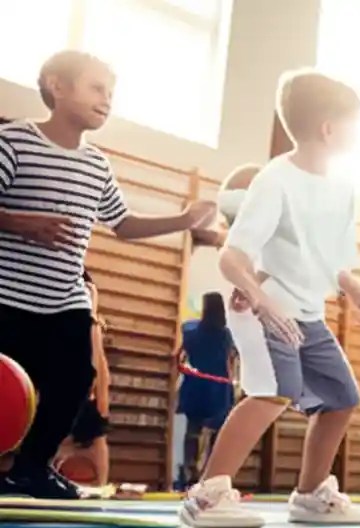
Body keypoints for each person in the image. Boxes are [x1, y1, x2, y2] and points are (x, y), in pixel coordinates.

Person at [180, 69, 360, 528]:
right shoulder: (274, 180)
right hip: (267, 308)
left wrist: (357, 291)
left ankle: (311, 494)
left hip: (306, 312)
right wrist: (261, 300)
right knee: (271, 392)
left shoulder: (342, 188)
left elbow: (326, 259)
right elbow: (232, 257)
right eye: (353, 122)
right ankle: (207, 494)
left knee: (341, 397)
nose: (358, 133)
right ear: (328, 127)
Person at [0, 50, 217, 500]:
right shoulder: (14, 141)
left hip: (64, 300)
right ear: (57, 87)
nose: (106, 101)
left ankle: (31, 469)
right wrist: (21, 221)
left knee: (75, 379)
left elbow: (123, 224)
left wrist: (183, 220)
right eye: (97, 89)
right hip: (8, 296)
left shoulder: (96, 163)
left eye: (111, 94)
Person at [175, 292, 236, 490]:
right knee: (217, 433)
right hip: (218, 388)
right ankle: (211, 477)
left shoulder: (189, 329)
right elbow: (230, 362)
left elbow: (179, 356)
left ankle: (188, 475)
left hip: (195, 385)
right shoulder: (226, 334)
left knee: (193, 430)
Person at [57, 271, 112, 486]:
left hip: (86, 397)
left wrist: (102, 401)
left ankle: (99, 486)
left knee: (95, 440)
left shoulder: (92, 323)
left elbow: (99, 363)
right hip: (64, 392)